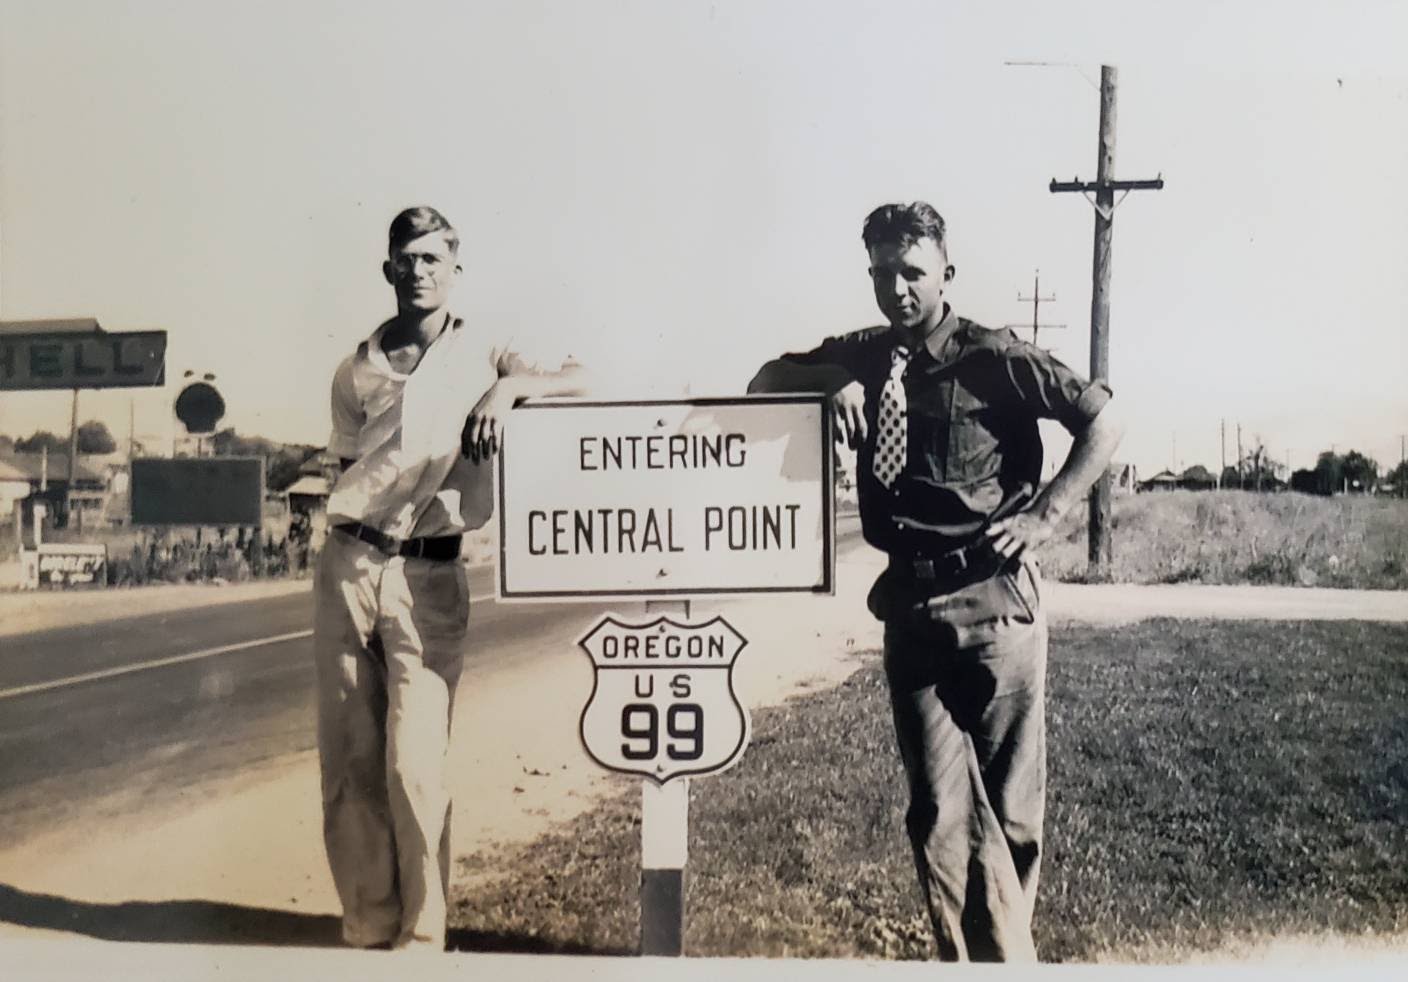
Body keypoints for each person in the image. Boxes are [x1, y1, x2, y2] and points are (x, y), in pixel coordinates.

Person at [748, 201, 1123, 961]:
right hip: (910, 608)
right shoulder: (863, 356)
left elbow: (1103, 421)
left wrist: (1048, 516)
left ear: (946, 273)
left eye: (912, 272)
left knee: (1011, 814)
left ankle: (1003, 960)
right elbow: (764, 380)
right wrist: (829, 385)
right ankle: (971, 962)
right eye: (883, 273)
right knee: (934, 812)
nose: (897, 289)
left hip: (994, 602)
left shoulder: (996, 356)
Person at [315, 205, 589, 951]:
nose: (419, 272)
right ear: (388, 270)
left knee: (414, 761)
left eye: (433, 259)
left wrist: (505, 391)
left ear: (455, 270)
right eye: (406, 260)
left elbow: (581, 376)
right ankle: (367, 924)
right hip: (349, 561)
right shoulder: (359, 365)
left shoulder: (486, 346)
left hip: (429, 573)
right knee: (350, 760)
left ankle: (423, 933)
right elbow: (349, 468)